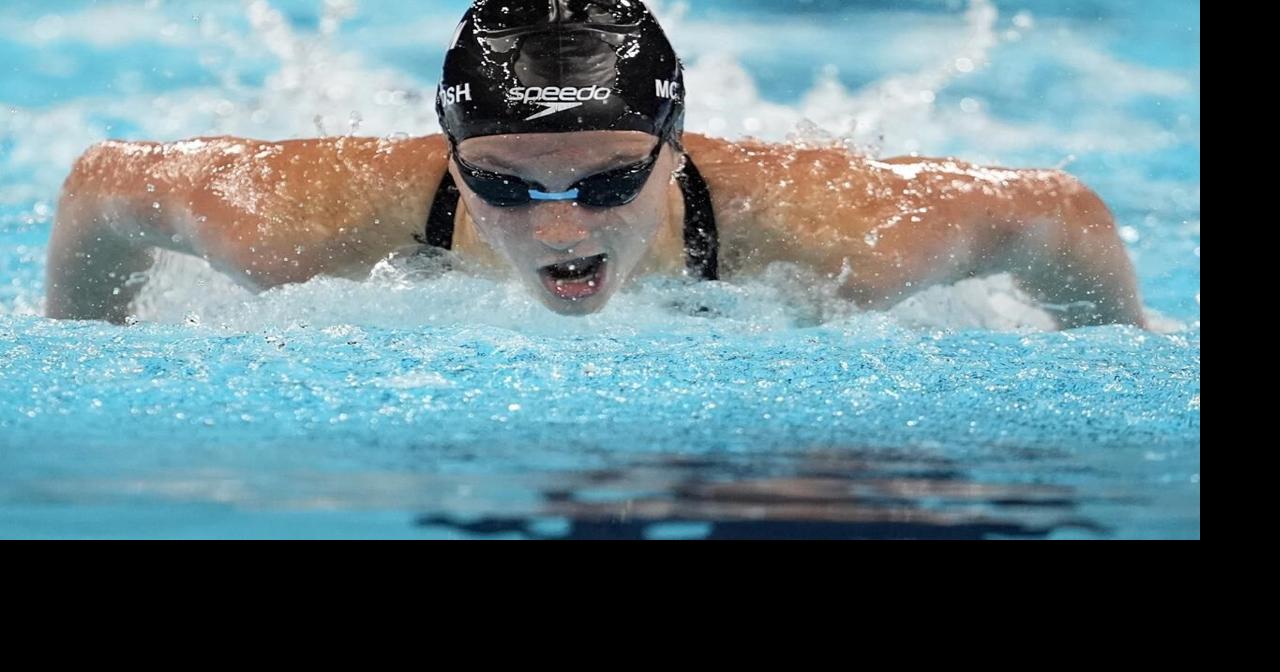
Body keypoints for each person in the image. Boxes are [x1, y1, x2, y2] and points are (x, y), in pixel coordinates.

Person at [46, 0, 1146, 328]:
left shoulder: (838, 235)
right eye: (506, 185)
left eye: (610, 180)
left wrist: (1122, 343)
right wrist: (82, 341)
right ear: (451, 157)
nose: (560, 229)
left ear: (675, 152)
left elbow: (1052, 210)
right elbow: (104, 181)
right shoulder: (291, 224)